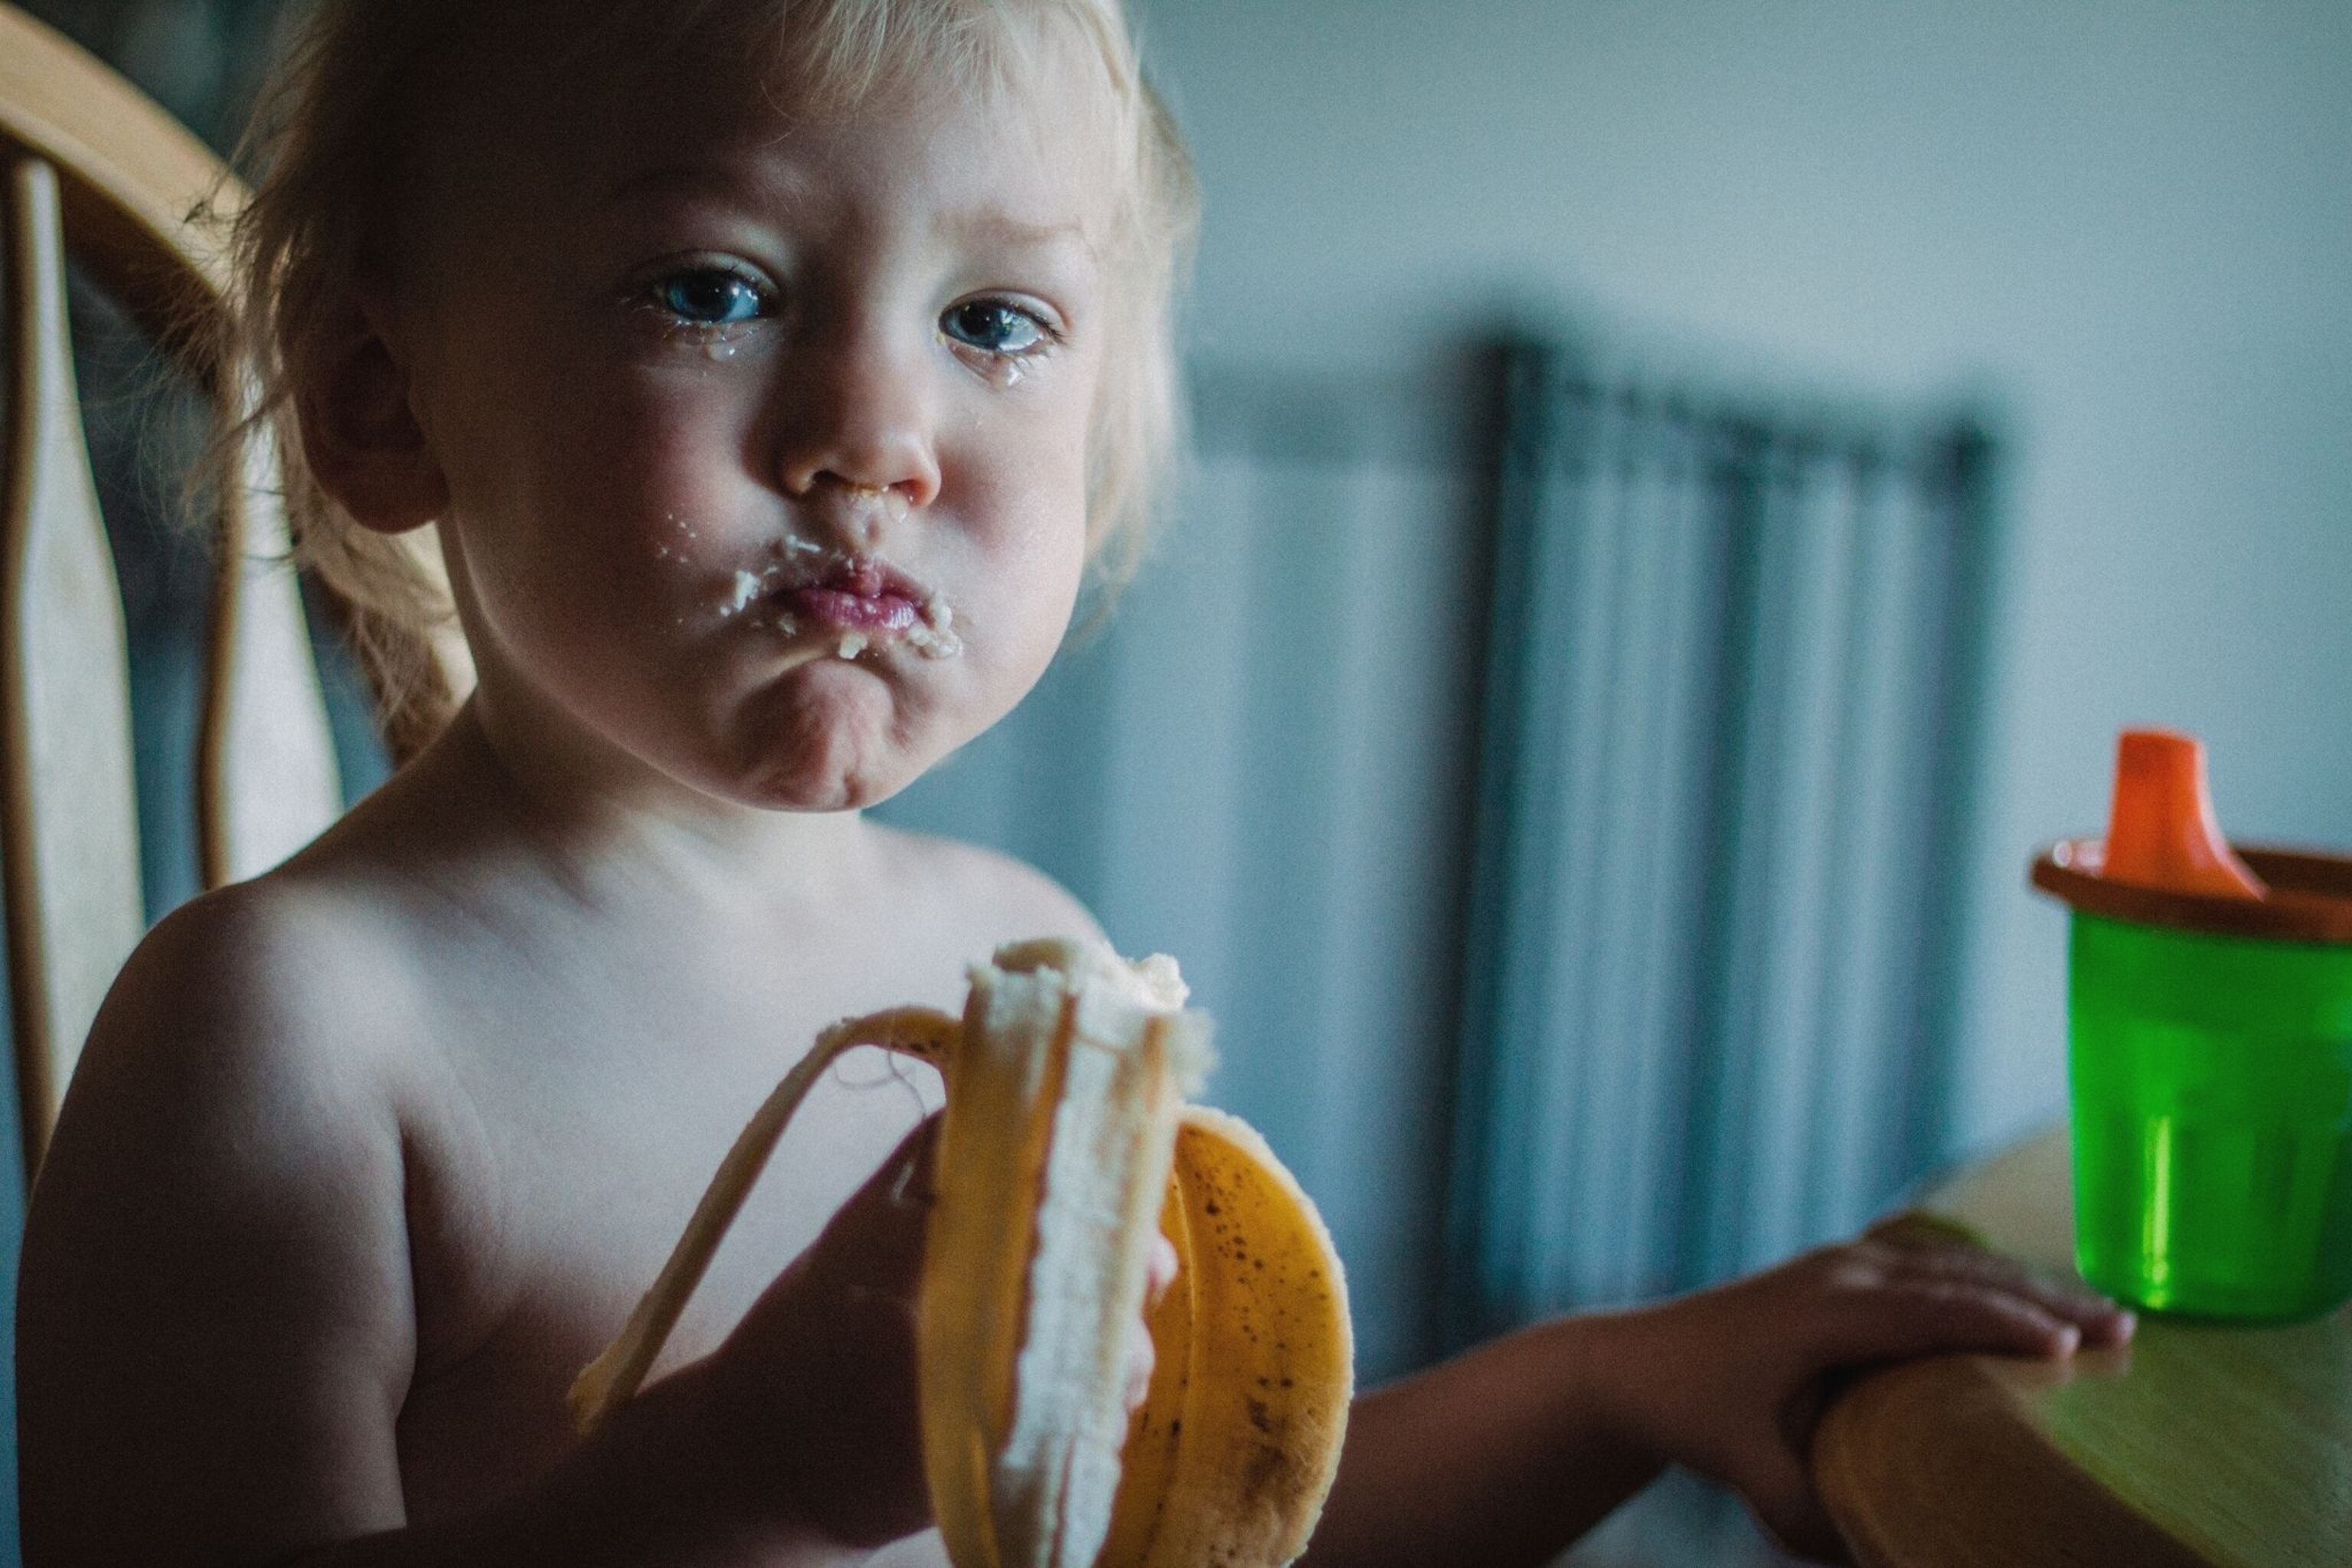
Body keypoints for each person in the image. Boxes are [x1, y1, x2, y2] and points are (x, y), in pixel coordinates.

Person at [14, 2, 2132, 1563]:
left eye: (999, 324)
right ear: (385, 400)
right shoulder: (290, 1034)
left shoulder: (1021, 960)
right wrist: (730, 1485)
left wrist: (1611, 1380)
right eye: (715, 287)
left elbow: (1206, 1534)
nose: (877, 436)